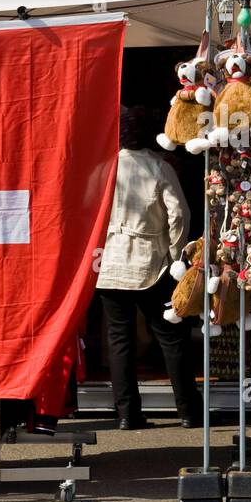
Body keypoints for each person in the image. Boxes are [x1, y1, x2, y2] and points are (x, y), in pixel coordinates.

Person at [96, 107, 199, 430]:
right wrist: (174, 254)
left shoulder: (104, 167)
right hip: (150, 262)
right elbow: (179, 214)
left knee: (119, 339)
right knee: (171, 336)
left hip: (110, 262)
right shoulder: (158, 167)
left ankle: (127, 413)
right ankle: (188, 411)